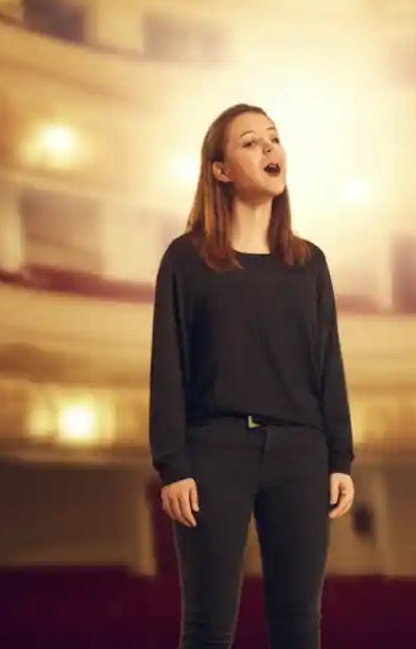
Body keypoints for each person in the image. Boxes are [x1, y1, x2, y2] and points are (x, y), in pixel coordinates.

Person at [149, 102, 356, 649]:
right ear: (220, 170)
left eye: (273, 138)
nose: (269, 148)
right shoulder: (187, 259)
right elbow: (168, 361)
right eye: (249, 142)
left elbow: (328, 362)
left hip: (301, 452)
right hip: (214, 450)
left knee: (298, 627)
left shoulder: (310, 263)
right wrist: (171, 463)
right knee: (208, 626)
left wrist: (340, 457)